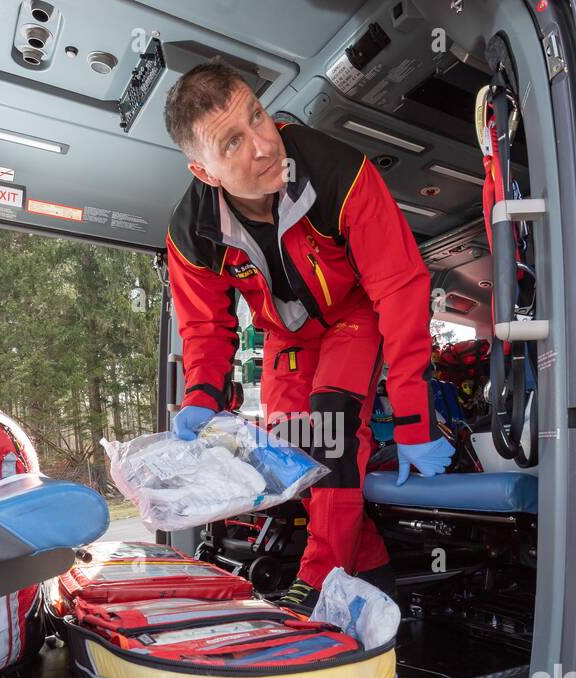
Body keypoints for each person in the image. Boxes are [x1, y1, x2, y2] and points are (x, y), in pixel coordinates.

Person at [162, 62, 452, 613]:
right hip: (287, 337)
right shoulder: (190, 233)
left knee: (330, 429)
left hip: (354, 314)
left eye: (258, 116)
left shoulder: (338, 173)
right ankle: (372, 575)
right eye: (234, 142)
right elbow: (204, 325)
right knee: (297, 455)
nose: (264, 144)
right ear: (205, 171)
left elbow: (399, 286)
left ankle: (322, 578)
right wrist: (201, 396)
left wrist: (414, 415)